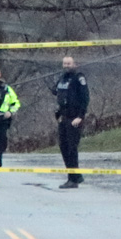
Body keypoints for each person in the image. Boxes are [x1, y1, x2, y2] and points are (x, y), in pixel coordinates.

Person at [52, 56, 88, 189]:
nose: (66, 65)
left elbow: (85, 98)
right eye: (64, 63)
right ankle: (75, 176)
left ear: (74, 64)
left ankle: (73, 179)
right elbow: (56, 92)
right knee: (64, 147)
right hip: (63, 117)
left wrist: (80, 116)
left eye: (69, 63)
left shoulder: (78, 78)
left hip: (74, 118)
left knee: (72, 148)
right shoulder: (62, 78)